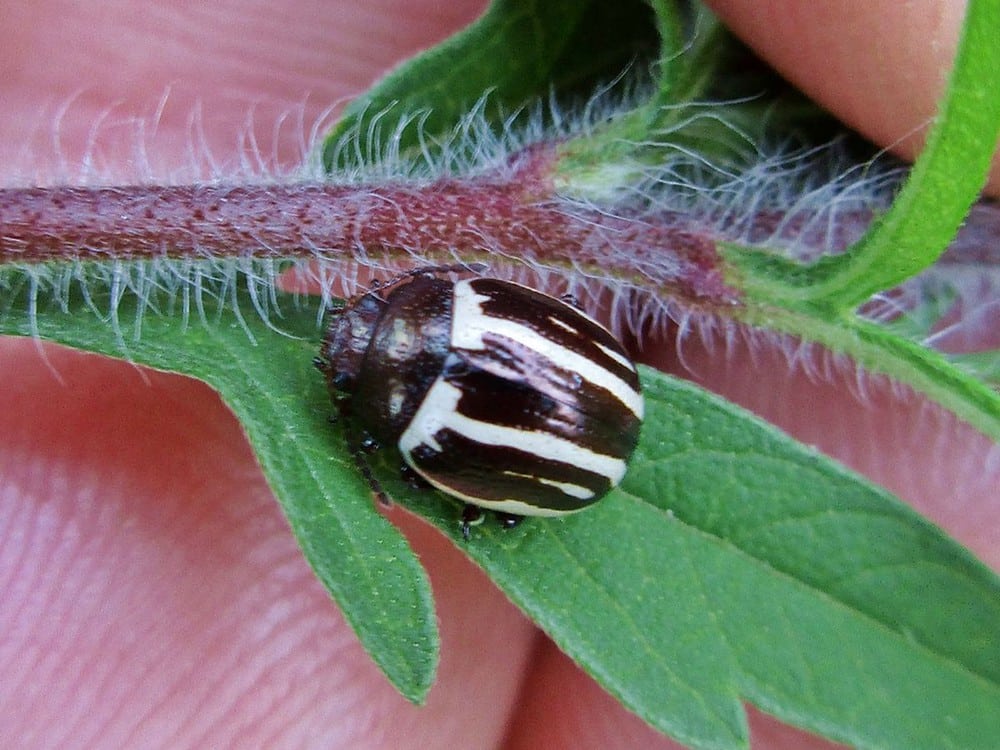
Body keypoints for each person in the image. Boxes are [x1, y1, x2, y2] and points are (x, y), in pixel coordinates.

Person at [1, 2, 996, 748]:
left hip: (580, 435)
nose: (339, 341)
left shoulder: (416, 363)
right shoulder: (424, 346)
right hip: (564, 428)